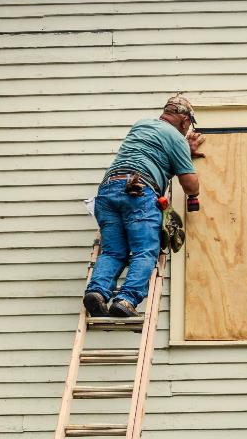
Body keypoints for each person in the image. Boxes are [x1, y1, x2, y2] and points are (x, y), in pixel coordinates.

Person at [84, 96, 205, 319]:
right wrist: (188, 167)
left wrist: (183, 152)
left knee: (113, 251)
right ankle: (126, 300)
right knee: (145, 250)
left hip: (108, 191)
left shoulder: (142, 125)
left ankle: (97, 293)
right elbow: (189, 185)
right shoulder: (177, 139)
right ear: (185, 121)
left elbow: (153, 152)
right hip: (138, 192)